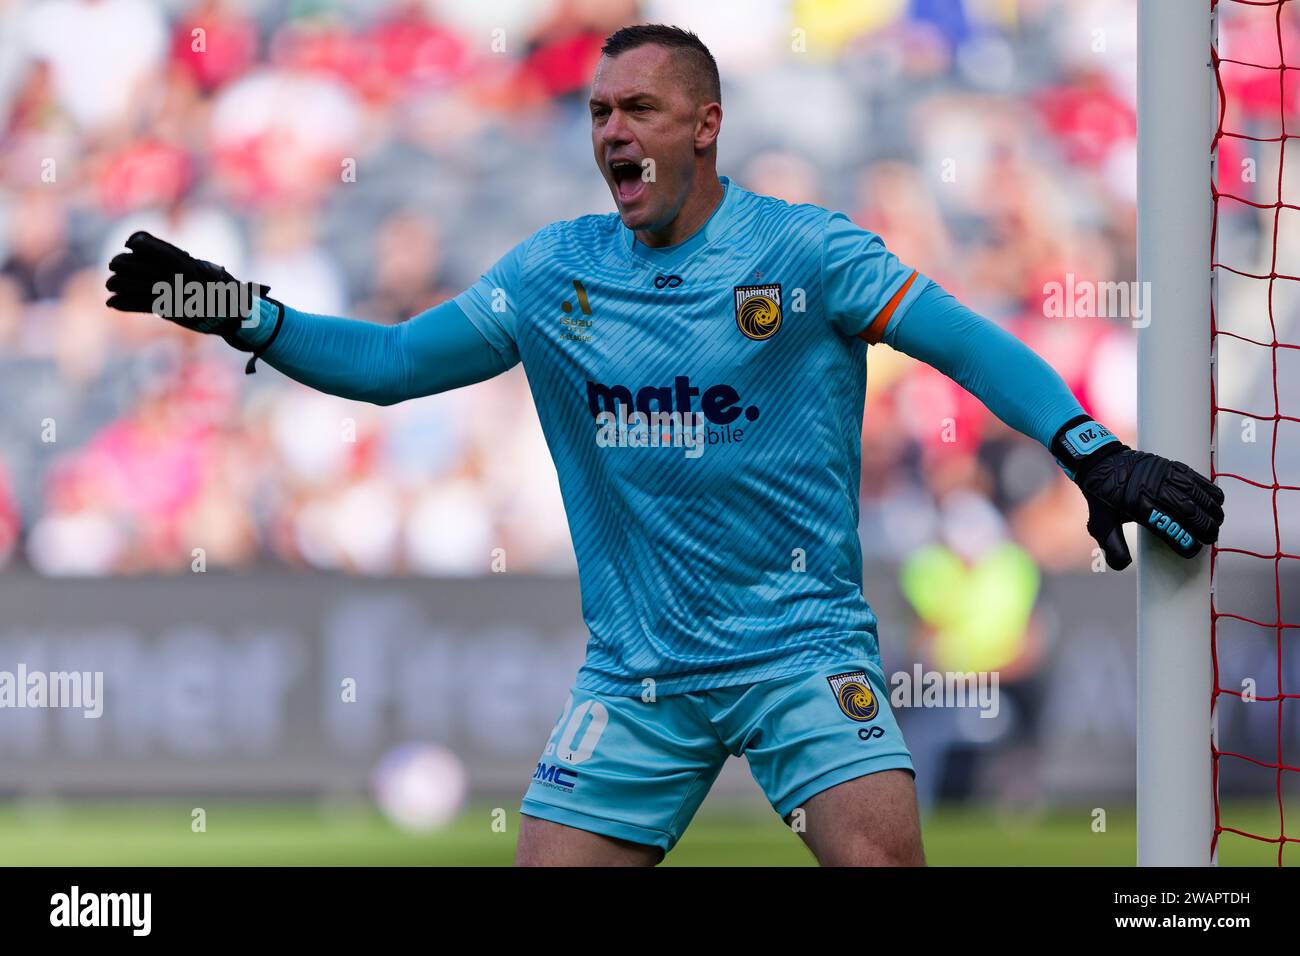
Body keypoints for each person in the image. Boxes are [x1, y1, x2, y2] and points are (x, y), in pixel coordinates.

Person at [105, 24, 1224, 866]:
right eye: (597, 112)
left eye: (637, 107)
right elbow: (395, 363)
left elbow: (965, 343)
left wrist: (1091, 450)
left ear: (704, 124)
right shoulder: (553, 275)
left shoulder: (805, 251)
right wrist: (237, 308)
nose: (611, 132)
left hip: (800, 648)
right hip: (639, 674)